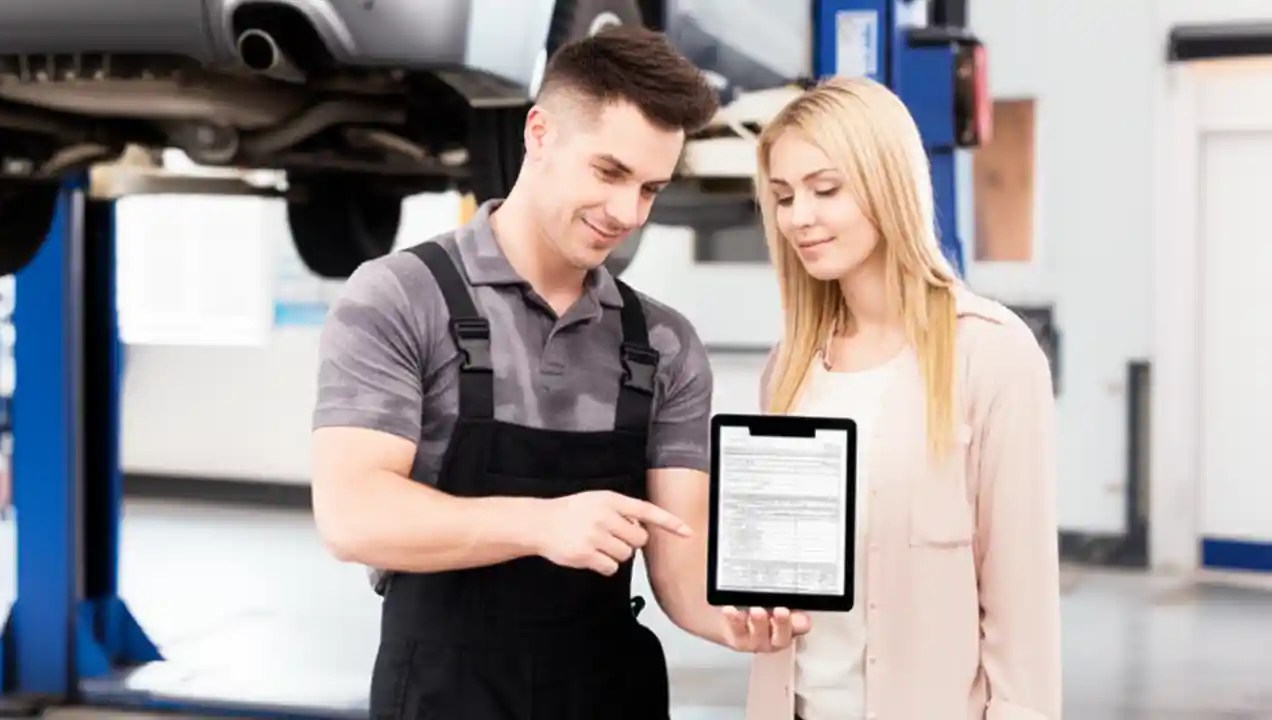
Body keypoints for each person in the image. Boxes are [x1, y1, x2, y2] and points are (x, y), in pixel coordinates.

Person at [310, 25, 810, 720]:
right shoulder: (401, 297)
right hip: (443, 694)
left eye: (650, 189)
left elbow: (678, 564)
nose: (626, 214)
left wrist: (734, 618)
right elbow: (353, 516)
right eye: (608, 173)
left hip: (607, 693)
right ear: (539, 134)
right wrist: (544, 526)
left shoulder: (663, 344)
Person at [742, 76, 1062, 720]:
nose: (799, 216)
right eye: (783, 196)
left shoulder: (991, 355)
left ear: (887, 184)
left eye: (825, 189)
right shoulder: (791, 368)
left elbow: (1022, 618)